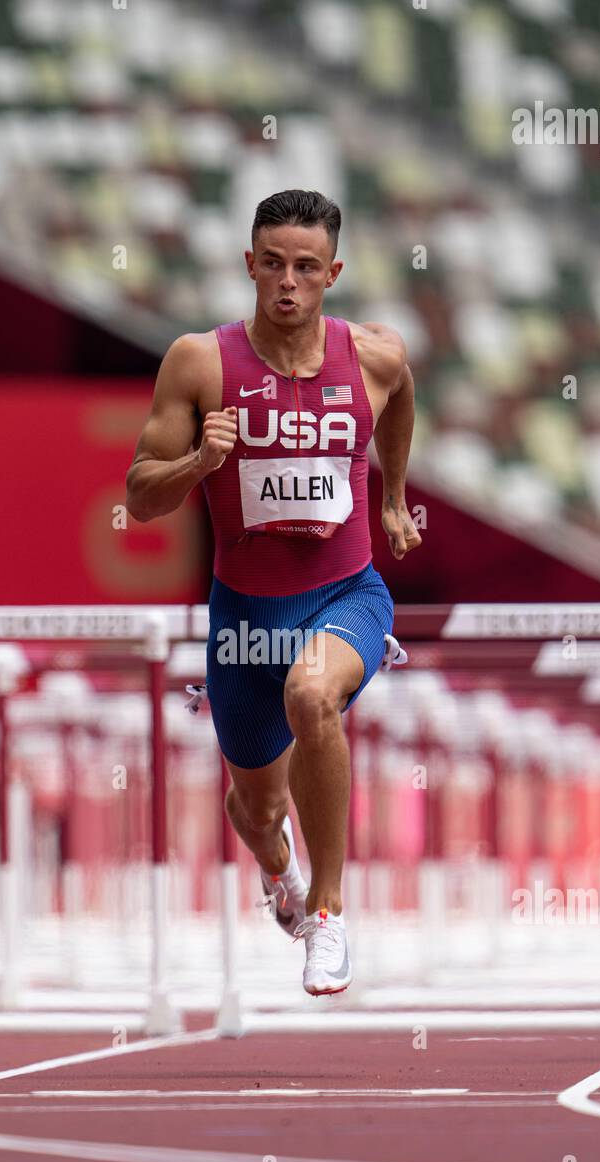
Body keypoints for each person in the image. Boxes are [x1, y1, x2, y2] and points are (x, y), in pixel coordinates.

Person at [127, 189, 420, 996]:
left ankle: (327, 914)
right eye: (272, 264)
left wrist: (391, 497)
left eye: (305, 267)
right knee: (252, 811)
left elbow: (398, 410)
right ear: (247, 265)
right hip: (244, 620)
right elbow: (139, 494)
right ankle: (280, 870)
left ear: (333, 273)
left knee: (312, 695)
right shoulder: (200, 362)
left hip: (345, 593)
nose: (287, 282)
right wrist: (198, 465)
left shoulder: (375, 357)